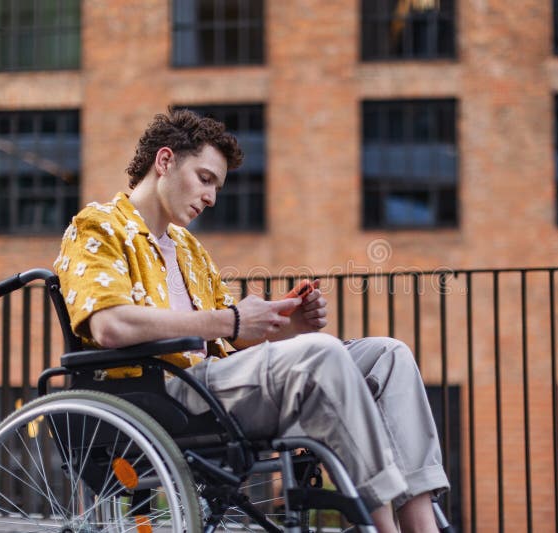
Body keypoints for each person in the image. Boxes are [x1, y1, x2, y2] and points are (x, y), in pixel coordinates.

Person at [54, 108, 449, 532]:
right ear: (164, 161)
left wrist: (291, 325)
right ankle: (381, 527)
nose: (212, 198)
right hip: (161, 394)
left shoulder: (189, 250)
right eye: (205, 179)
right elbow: (109, 326)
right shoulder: (97, 226)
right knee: (321, 353)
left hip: (213, 384)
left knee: (388, 355)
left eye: (217, 187)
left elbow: (232, 336)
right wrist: (231, 321)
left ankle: (421, 524)